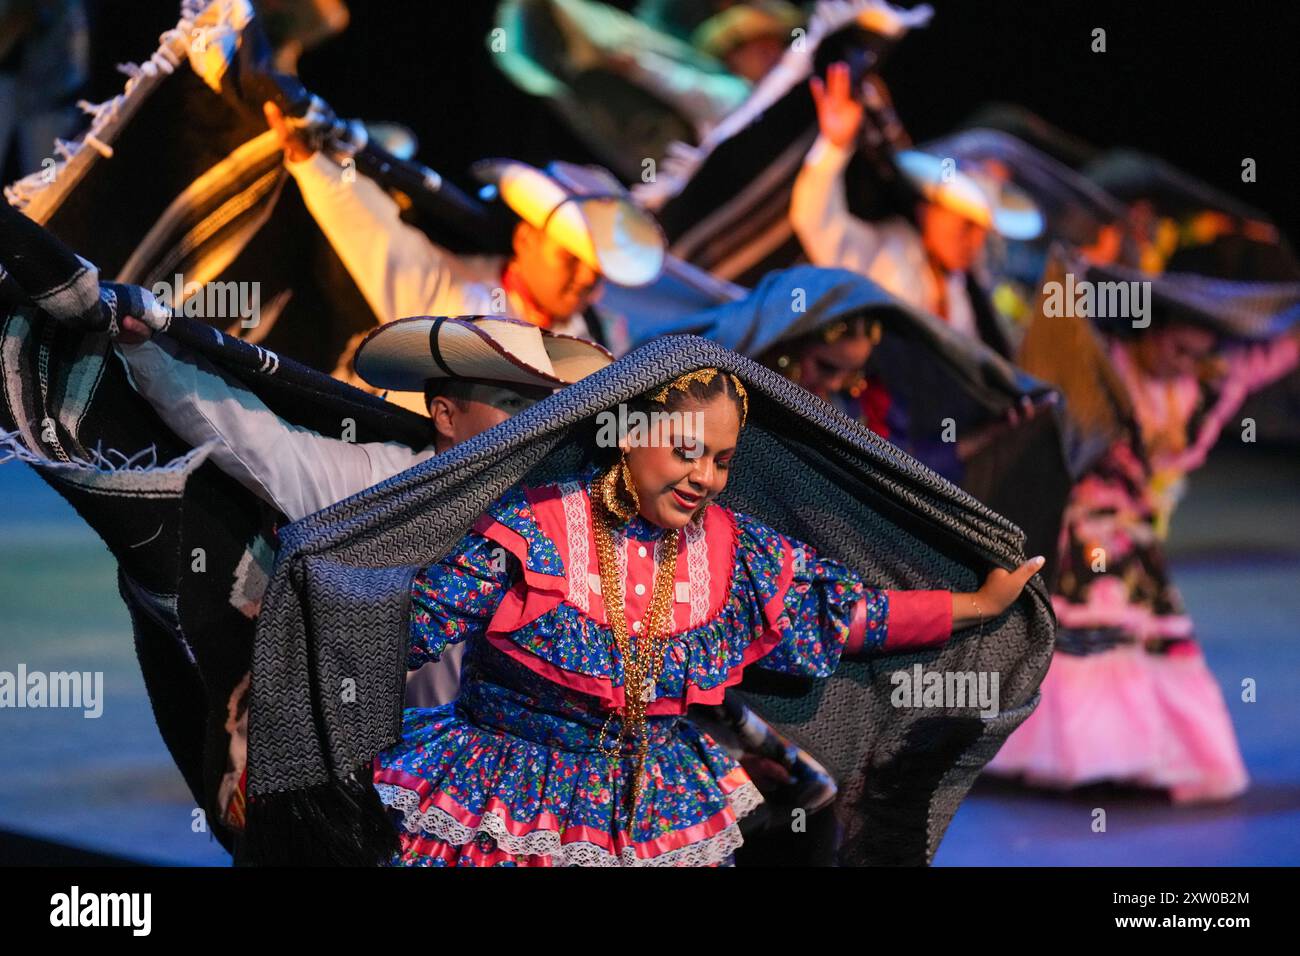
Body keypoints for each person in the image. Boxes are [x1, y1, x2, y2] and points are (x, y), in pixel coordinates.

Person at [365, 366, 1045, 865]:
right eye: (688, 452)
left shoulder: (732, 552)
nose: (706, 478)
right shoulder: (535, 528)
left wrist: (977, 606)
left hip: (655, 807)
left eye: (722, 461)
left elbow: (844, 616)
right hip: (506, 802)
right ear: (628, 435)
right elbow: (399, 629)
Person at [989, 313, 1300, 802]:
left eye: (1198, 354)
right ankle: (1094, 755)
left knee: (1154, 637)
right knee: (1098, 630)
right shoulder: (1101, 365)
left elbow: (1258, 360)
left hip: (1136, 533)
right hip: (1085, 526)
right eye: (1178, 348)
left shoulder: (1201, 388)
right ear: (1150, 334)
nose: (1185, 363)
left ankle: (1142, 757)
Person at [263, 100, 666, 368]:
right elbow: (369, 228)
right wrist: (309, 159)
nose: (585, 281)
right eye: (571, 259)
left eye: (596, 270)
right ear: (525, 241)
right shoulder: (456, 297)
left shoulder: (595, 340)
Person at [789, 61, 1042, 357]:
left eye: (982, 231)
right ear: (927, 210)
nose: (975, 243)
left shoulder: (963, 288)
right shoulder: (886, 251)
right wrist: (834, 145)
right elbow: (814, 220)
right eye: (966, 226)